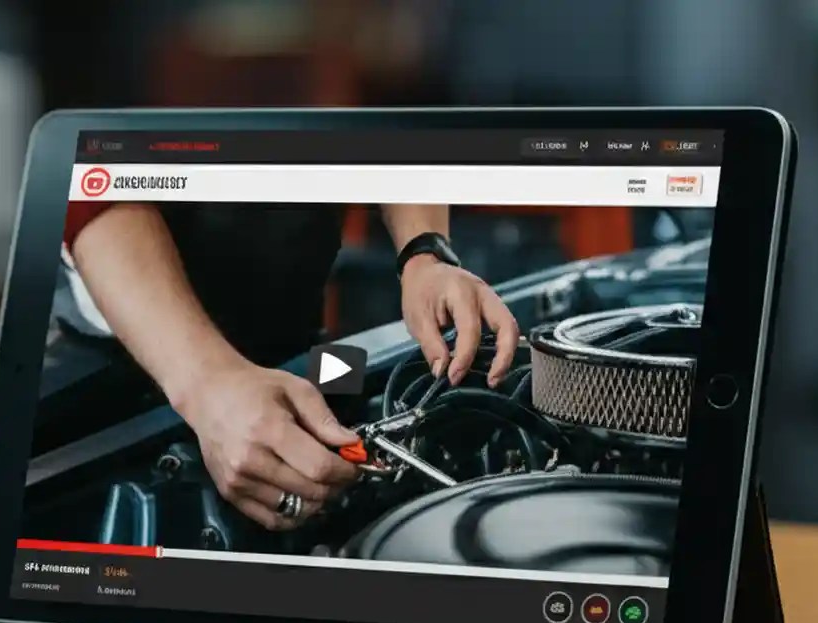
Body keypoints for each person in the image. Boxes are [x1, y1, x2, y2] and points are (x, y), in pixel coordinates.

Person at [63, 201, 518, 531]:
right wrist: (208, 384)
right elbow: (93, 192)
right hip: (140, 360)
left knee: (377, 374)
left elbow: (391, 134)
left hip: (299, 345)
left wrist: (425, 255)